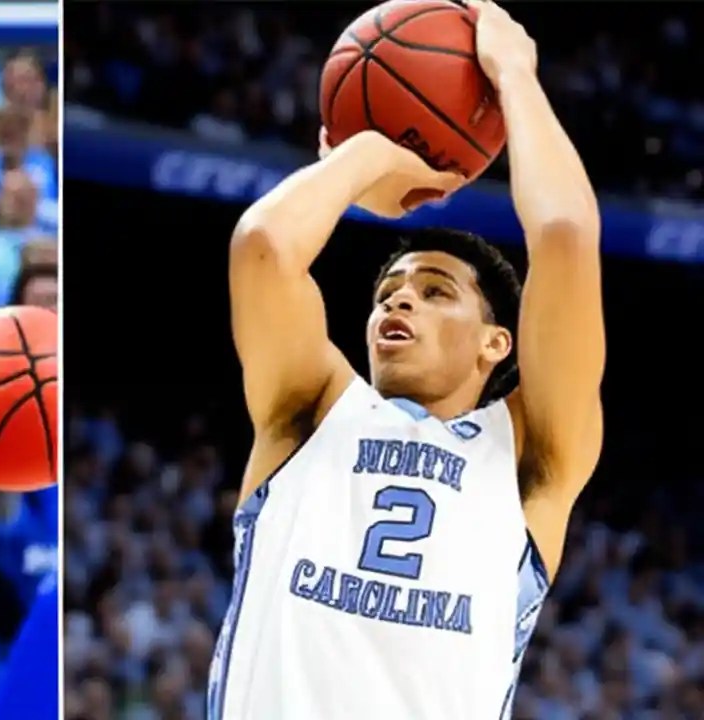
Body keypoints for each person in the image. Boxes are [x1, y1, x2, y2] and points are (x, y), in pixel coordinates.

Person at [207, 3, 604, 719]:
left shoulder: (529, 454)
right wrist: (369, 155)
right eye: (388, 292)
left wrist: (513, 74)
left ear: (496, 343)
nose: (398, 304)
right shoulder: (310, 410)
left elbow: (567, 236)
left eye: (433, 291)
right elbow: (264, 245)